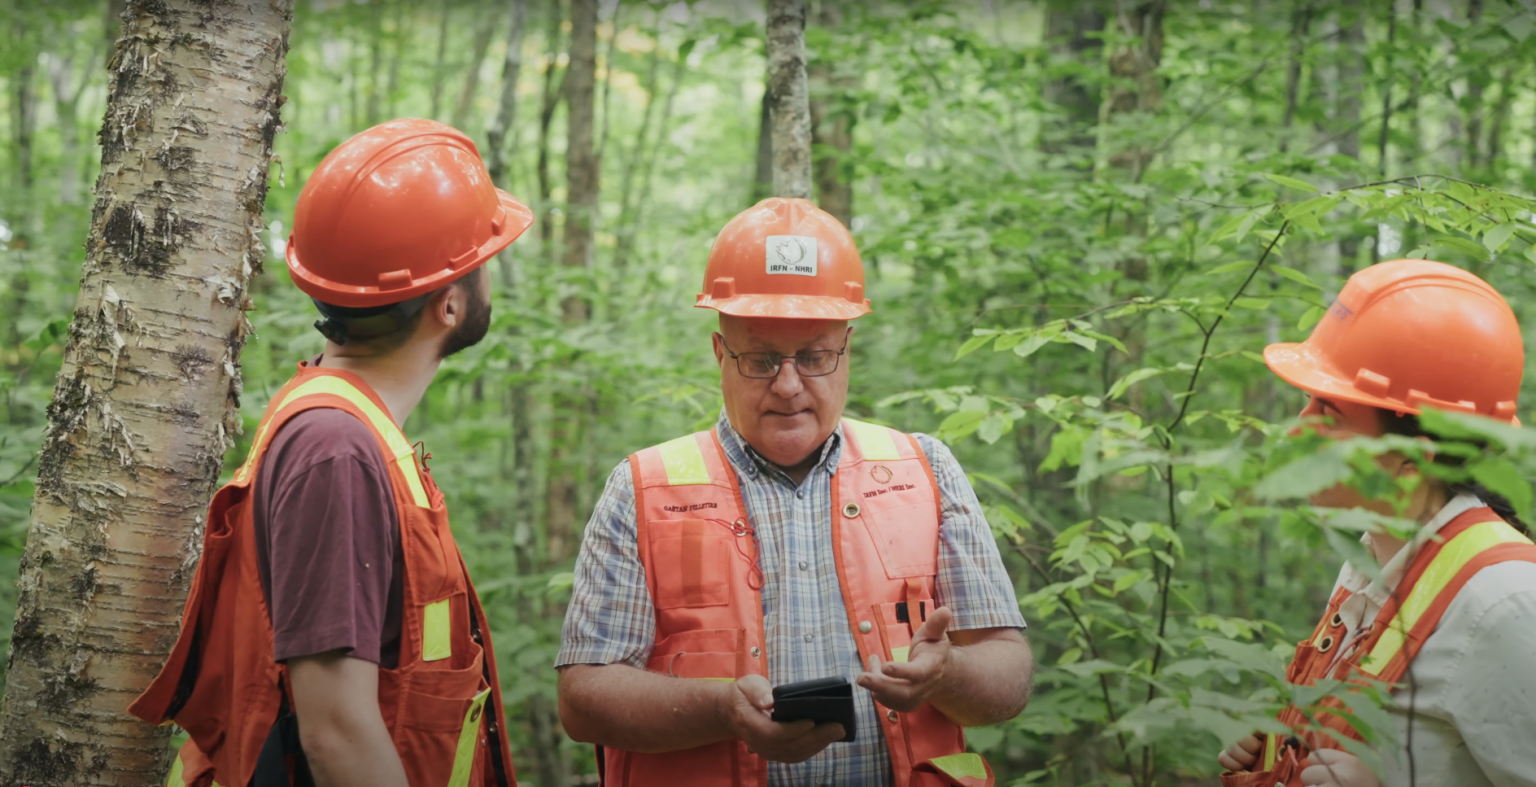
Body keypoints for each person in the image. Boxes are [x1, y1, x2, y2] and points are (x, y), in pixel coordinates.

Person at [555, 197, 1034, 787]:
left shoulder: (925, 468)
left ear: (846, 351)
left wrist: (948, 674)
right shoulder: (642, 488)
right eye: (760, 358)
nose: (788, 386)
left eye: (814, 356)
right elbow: (583, 699)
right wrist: (723, 710)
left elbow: (1009, 677)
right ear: (719, 353)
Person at [130, 119, 532, 787]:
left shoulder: (349, 430)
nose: (487, 273)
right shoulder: (336, 450)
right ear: (451, 306)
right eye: (478, 262)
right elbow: (336, 731)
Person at [1216, 259, 1536, 787]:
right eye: (1308, 402)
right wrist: (1279, 742)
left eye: (1331, 415)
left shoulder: (1505, 601)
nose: (1296, 432)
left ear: (1415, 459)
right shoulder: (1374, 563)